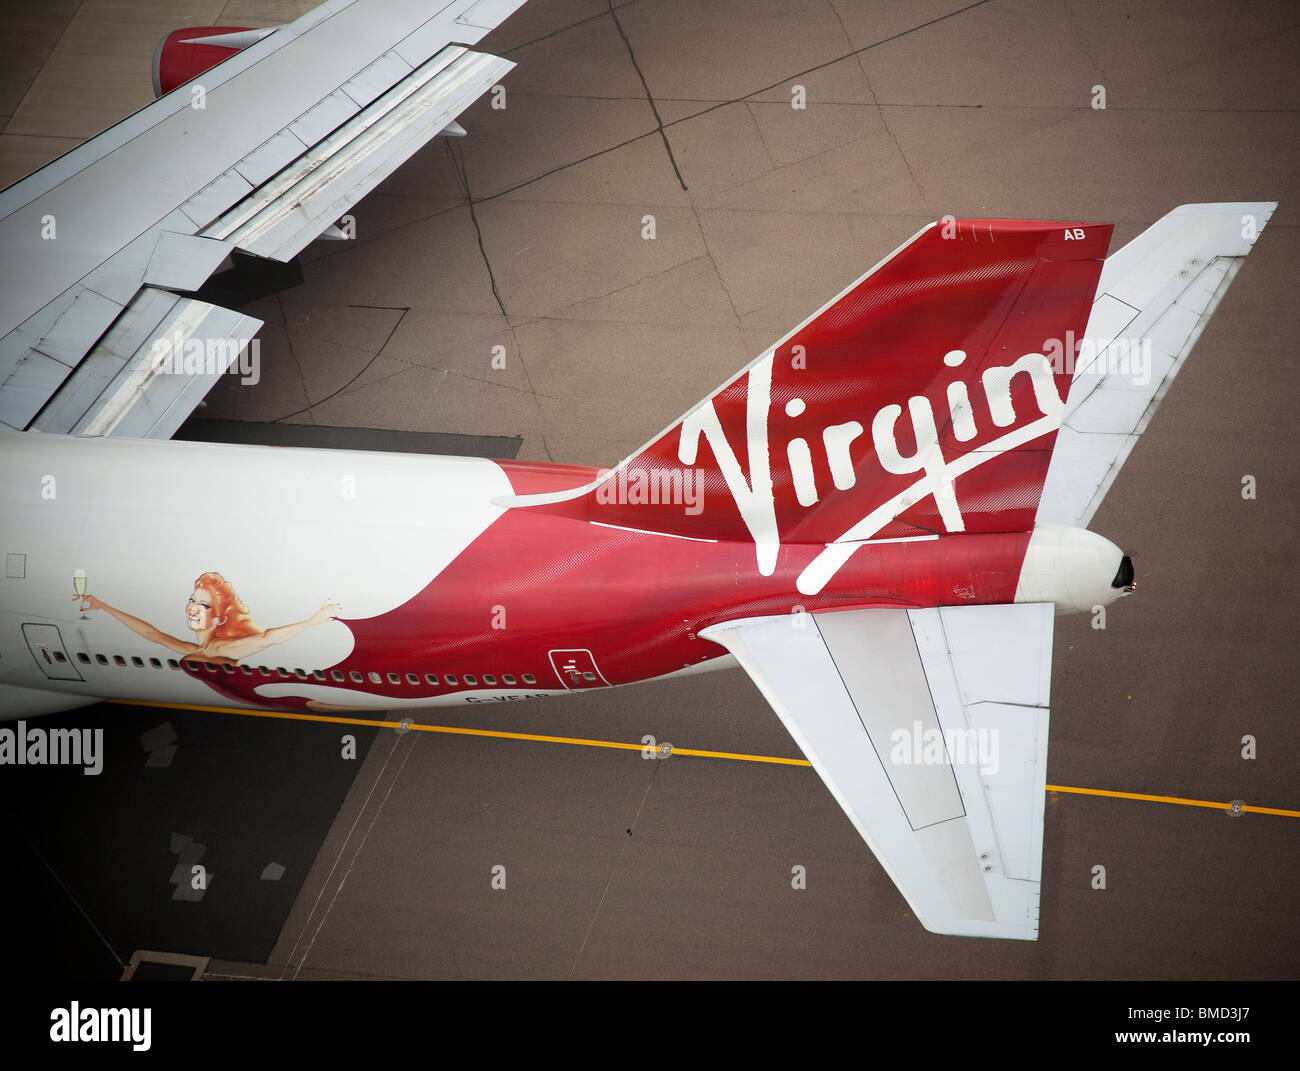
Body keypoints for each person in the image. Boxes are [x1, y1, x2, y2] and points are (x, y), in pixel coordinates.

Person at [78, 571, 340, 664]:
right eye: (192, 600)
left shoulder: (220, 648)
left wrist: (310, 622)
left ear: (219, 620)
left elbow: (268, 639)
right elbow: (153, 635)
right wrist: (103, 606)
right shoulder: (200, 648)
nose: (192, 607)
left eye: (204, 605)